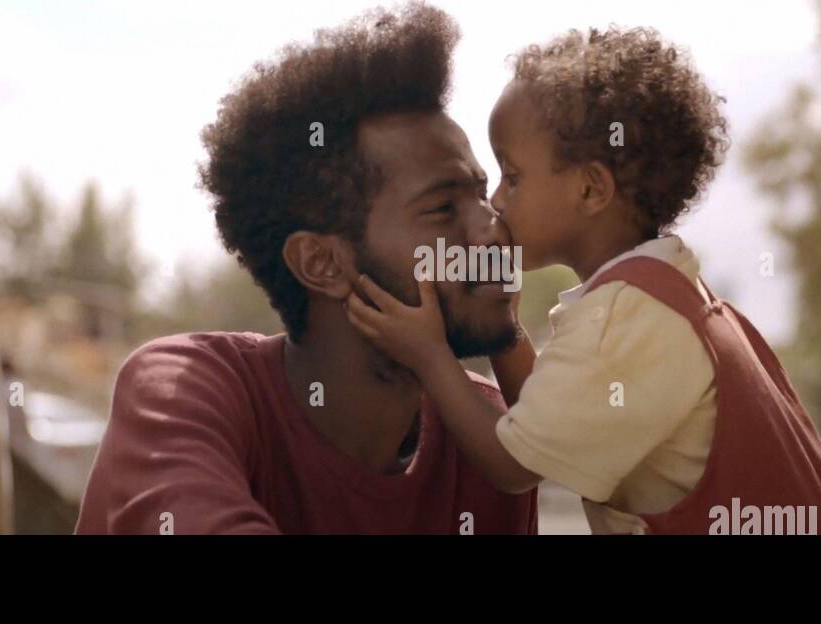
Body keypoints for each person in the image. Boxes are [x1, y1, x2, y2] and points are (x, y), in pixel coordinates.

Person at [346, 26, 821, 534]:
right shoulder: (665, 295)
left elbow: (516, 463)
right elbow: (550, 425)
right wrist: (505, 331)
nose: (497, 202)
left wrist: (430, 355)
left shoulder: (620, 319)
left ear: (592, 190)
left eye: (513, 176)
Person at [76, 2, 536, 534]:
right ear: (321, 263)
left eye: (483, 194)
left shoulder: (488, 438)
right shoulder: (184, 391)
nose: (493, 230)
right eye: (441, 209)